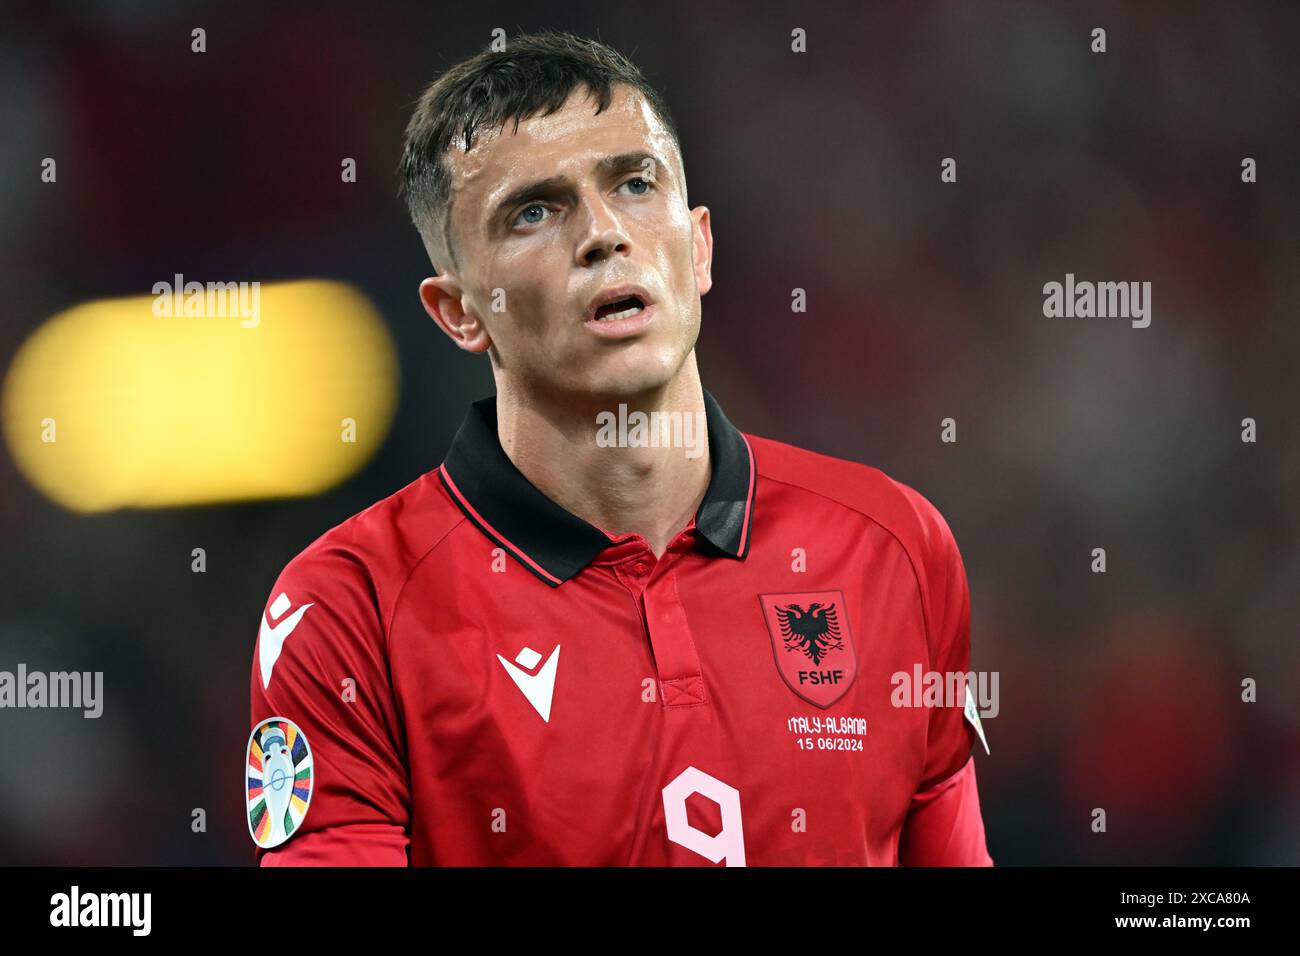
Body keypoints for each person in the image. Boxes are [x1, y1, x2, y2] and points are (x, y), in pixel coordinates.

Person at [248, 29, 993, 866]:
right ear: (458, 311)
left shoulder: (894, 546)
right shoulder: (348, 611)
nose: (603, 234)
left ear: (700, 244)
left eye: (635, 183)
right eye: (534, 211)